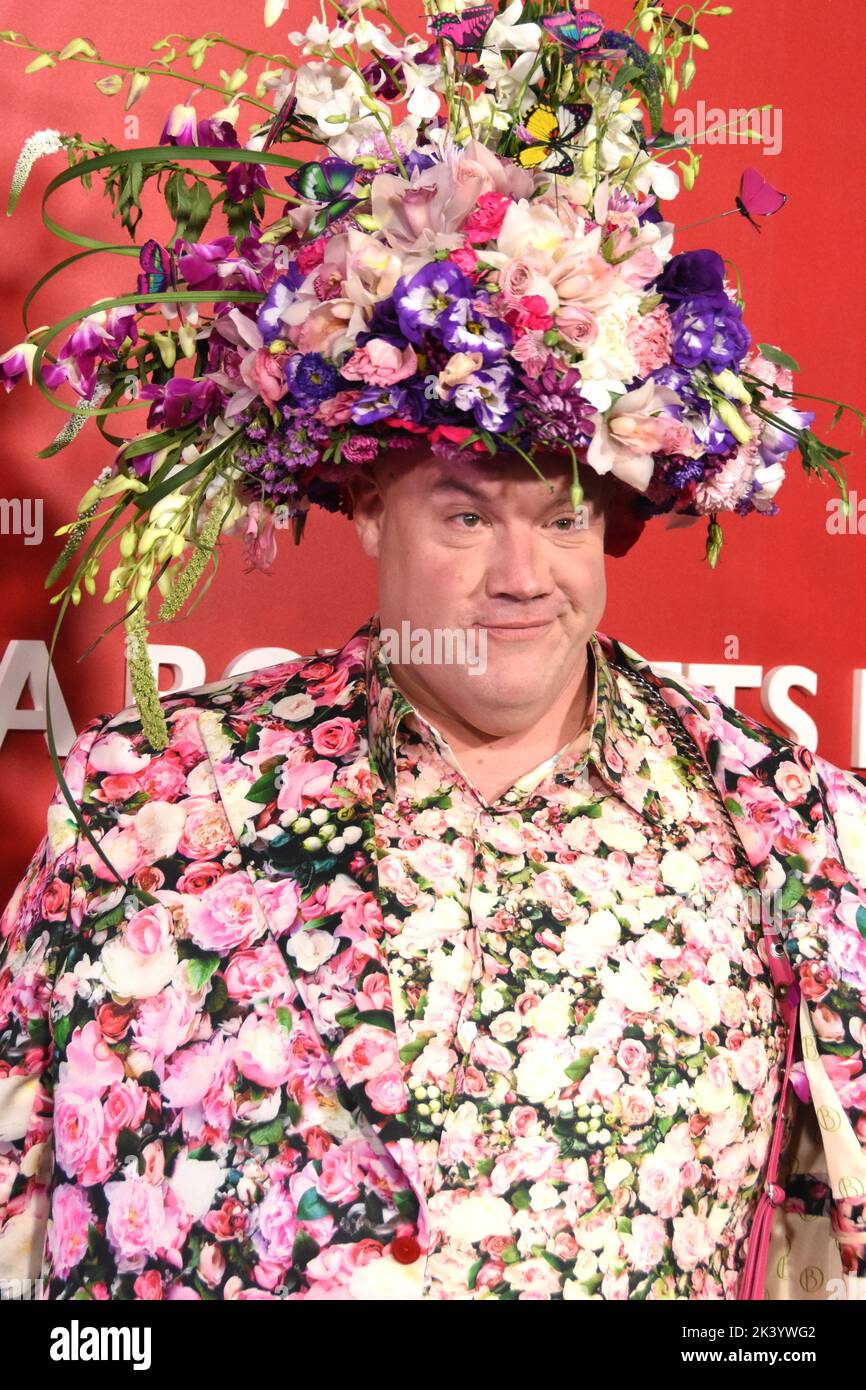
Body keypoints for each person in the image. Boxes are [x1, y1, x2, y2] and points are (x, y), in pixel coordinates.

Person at [1, 446, 865, 1302]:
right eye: (469, 518)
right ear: (371, 506)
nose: (522, 577)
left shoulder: (789, 822)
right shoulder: (152, 790)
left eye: (563, 520)